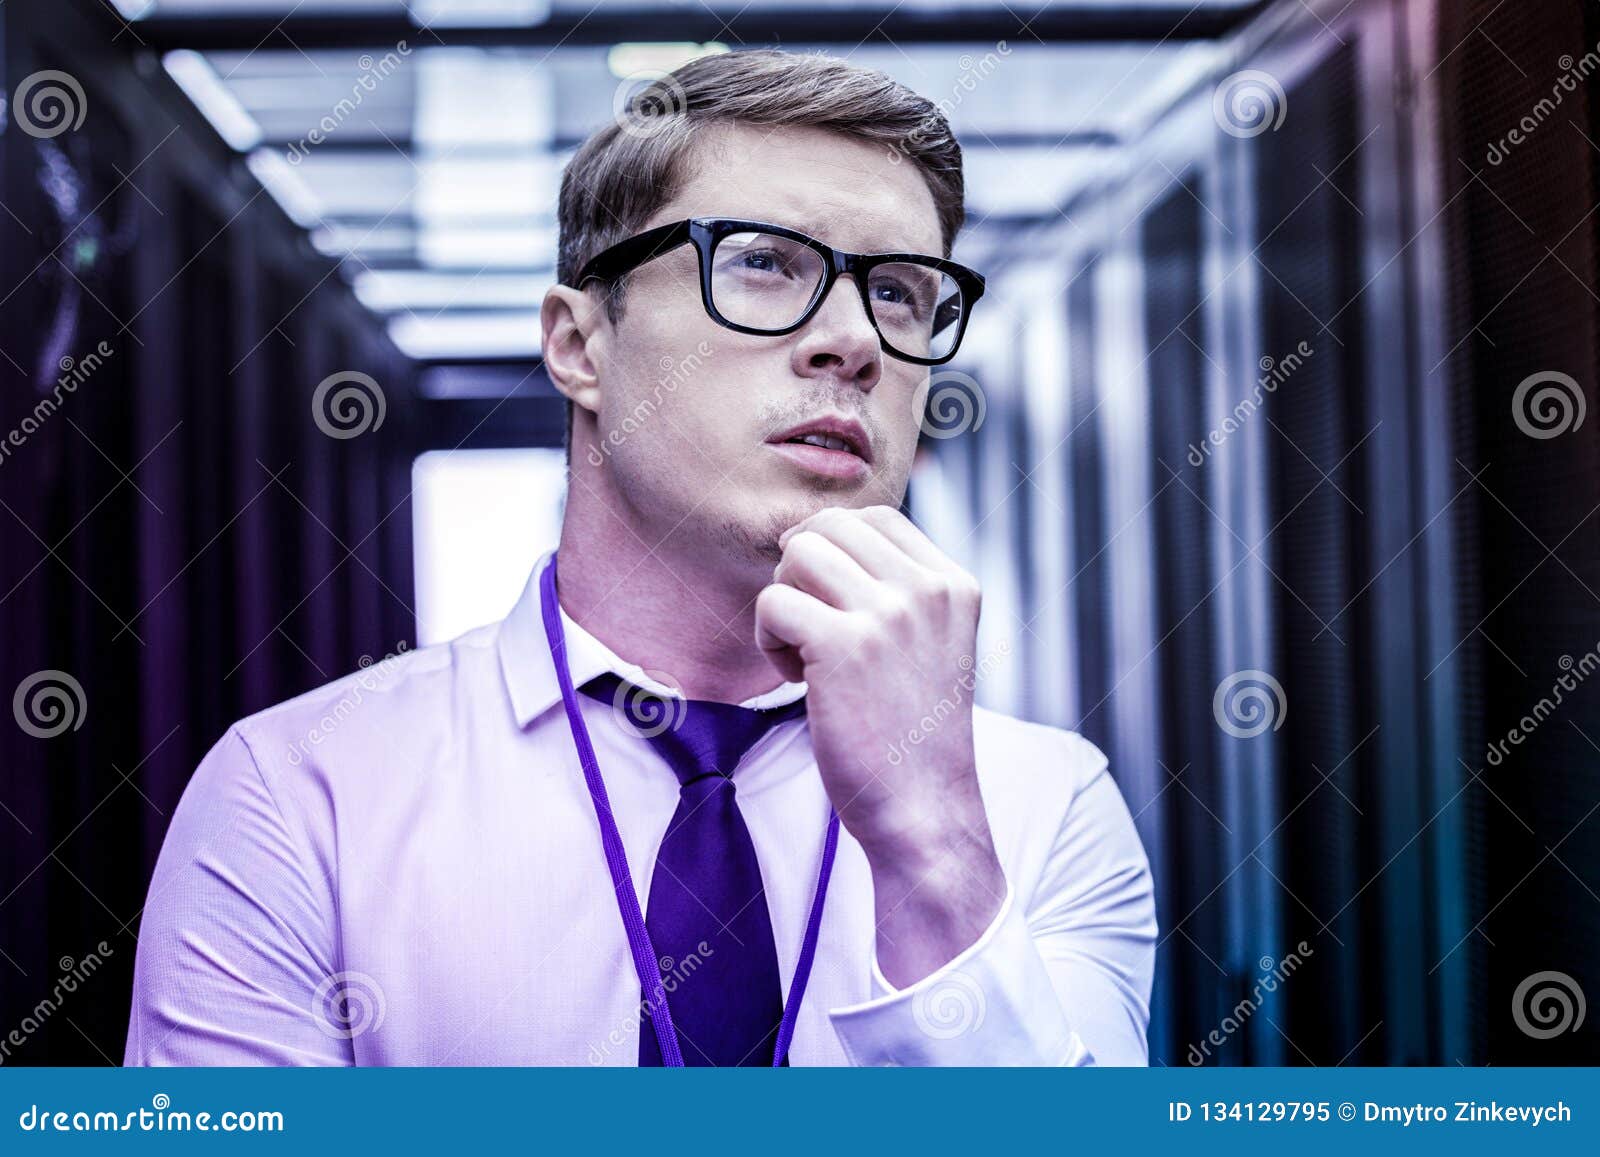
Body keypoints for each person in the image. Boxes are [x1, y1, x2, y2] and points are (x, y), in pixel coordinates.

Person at [124, 48, 1155, 1067]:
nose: (854, 342)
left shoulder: (1042, 803)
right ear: (580, 345)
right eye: (762, 260)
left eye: (899, 292)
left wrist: (931, 849)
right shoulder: (305, 793)